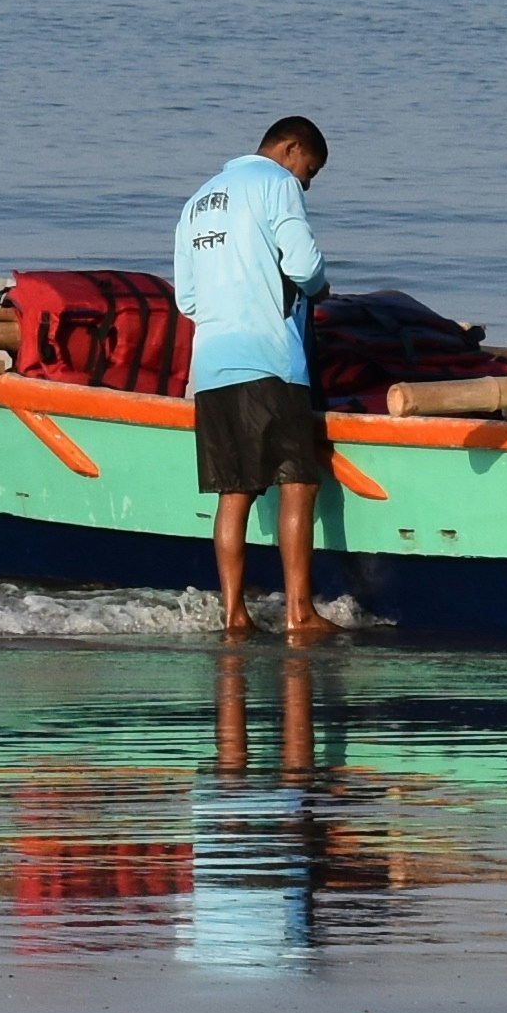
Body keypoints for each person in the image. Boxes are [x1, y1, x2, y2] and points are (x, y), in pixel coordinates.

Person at [173, 116, 333, 638]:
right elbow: (305, 265)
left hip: (213, 366)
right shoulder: (277, 184)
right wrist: (317, 287)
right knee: (298, 482)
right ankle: (298, 612)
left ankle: (234, 613)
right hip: (270, 358)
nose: (306, 183)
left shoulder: (196, 202)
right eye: (308, 171)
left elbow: (188, 301)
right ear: (290, 150)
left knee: (233, 491)